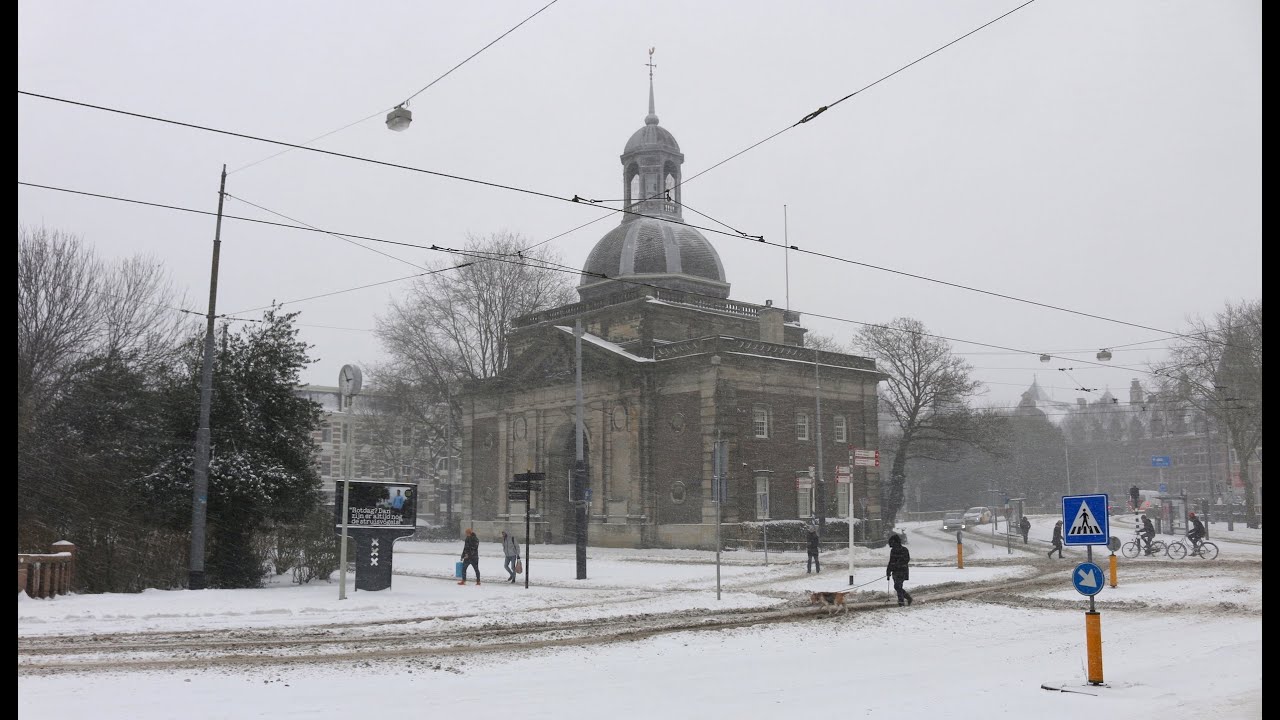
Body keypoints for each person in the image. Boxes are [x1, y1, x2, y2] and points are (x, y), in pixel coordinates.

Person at [885, 533, 913, 607]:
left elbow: (906, 560)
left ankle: (901, 603)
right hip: (895, 572)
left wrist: (897, 565)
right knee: (898, 587)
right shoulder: (893, 551)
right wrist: (888, 572)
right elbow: (891, 562)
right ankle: (907, 598)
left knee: (897, 586)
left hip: (902, 572)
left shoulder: (904, 550)